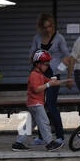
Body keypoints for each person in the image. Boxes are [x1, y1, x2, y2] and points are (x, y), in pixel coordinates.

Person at [12, 51, 71, 151]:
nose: (47, 66)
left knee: (29, 125)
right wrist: (48, 85)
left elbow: (52, 82)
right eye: (45, 64)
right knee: (44, 122)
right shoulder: (34, 75)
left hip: (34, 103)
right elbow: (36, 89)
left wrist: (65, 81)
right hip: (36, 104)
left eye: (48, 64)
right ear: (38, 63)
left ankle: (18, 143)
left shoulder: (39, 74)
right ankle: (49, 143)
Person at [29, 13, 71, 143]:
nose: (48, 29)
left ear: (53, 26)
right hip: (39, 75)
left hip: (53, 75)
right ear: (41, 27)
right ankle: (43, 136)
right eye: (45, 27)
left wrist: (59, 71)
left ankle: (60, 136)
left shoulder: (59, 38)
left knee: (51, 105)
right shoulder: (37, 38)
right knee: (39, 106)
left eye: (50, 26)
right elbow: (31, 55)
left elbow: (67, 57)